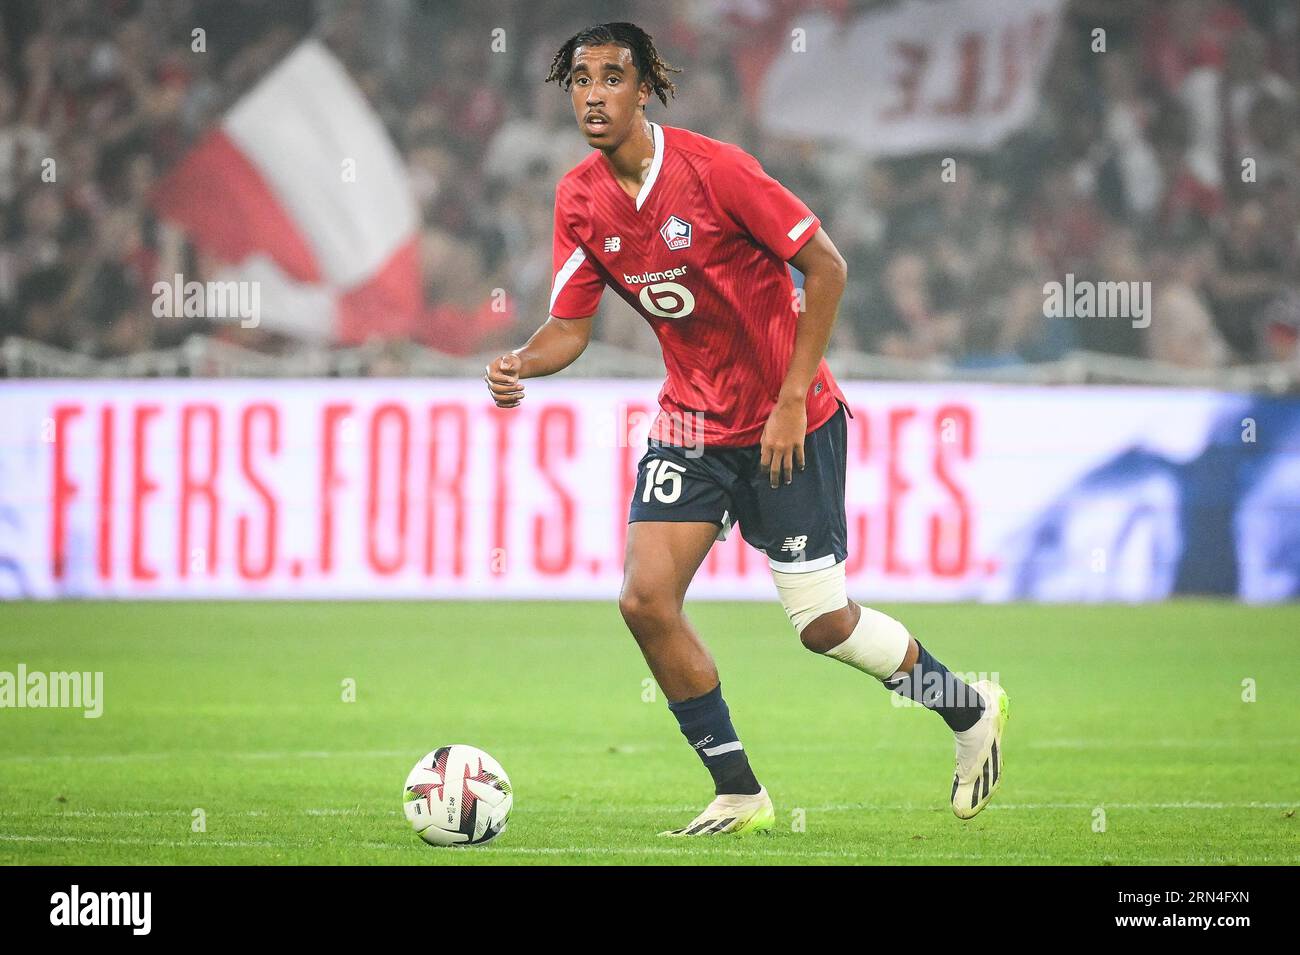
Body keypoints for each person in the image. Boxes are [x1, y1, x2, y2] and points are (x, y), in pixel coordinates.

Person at [484, 22, 1007, 836]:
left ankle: (967, 706)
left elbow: (827, 265)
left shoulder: (715, 170)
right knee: (645, 599)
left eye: (611, 77)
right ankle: (739, 790)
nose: (593, 93)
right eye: (580, 79)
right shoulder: (579, 198)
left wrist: (795, 395)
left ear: (644, 88)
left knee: (824, 625)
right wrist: (521, 359)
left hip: (788, 422)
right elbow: (570, 326)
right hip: (691, 422)